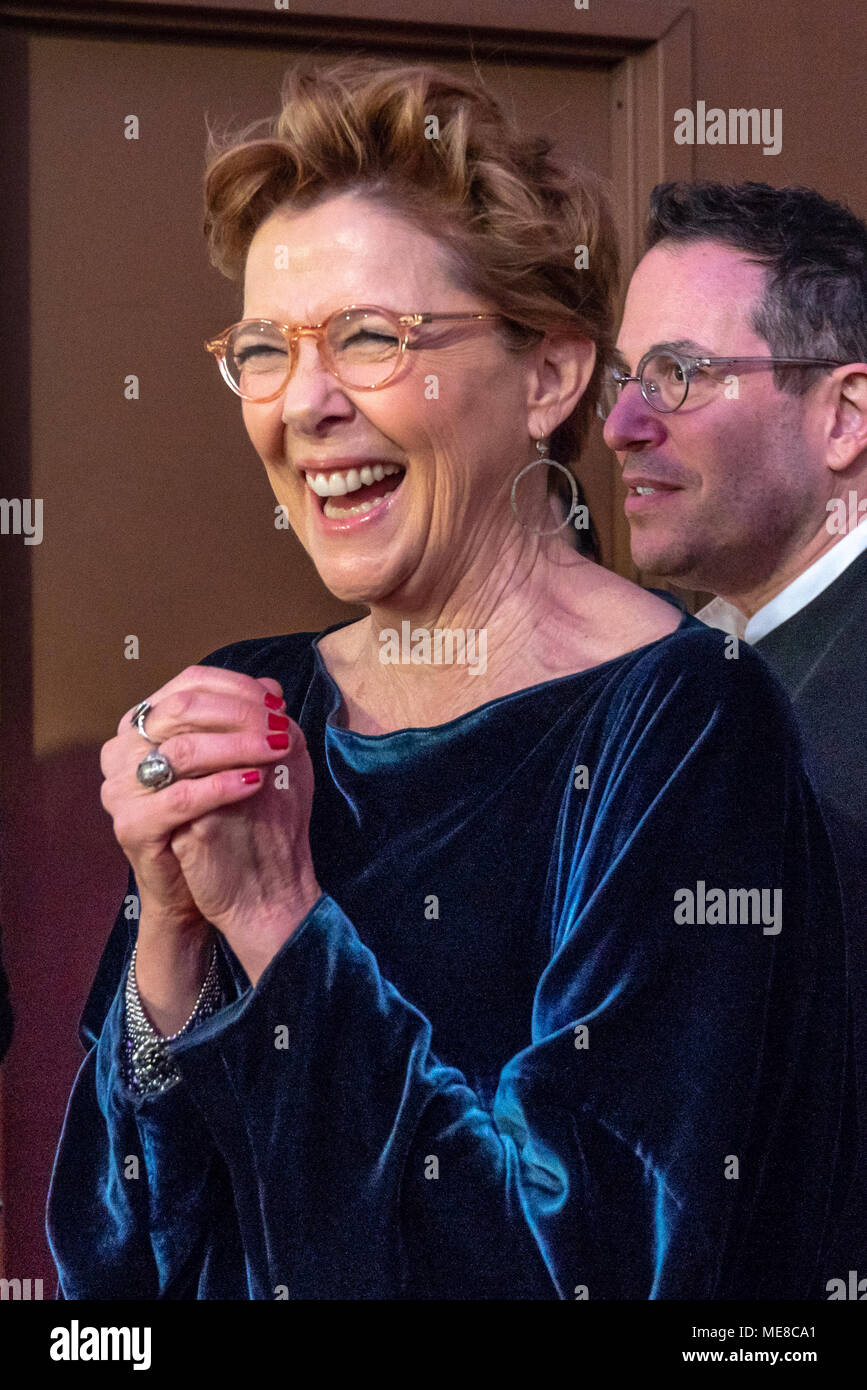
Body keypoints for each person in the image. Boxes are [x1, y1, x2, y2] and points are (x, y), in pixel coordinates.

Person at [47, 62, 852, 1300]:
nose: (305, 403)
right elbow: (119, 1273)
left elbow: (583, 1271)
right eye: (263, 350)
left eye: (371, 338)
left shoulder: (686, 721)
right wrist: (168, 943)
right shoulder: (250, 699)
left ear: (550, 377)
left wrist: (276, 921)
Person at [601, 179, 867, 1283]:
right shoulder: (674, 669)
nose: (621, 423)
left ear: (846, 417)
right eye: (624, 378)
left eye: (679, 374)